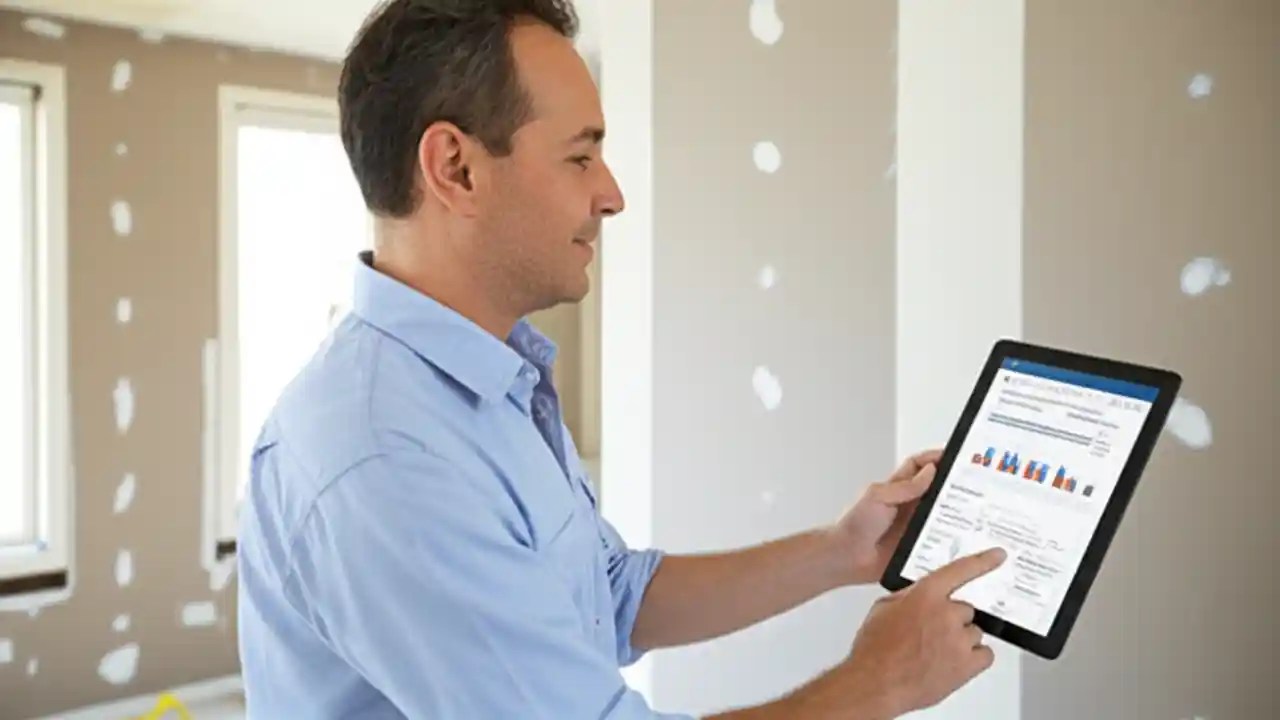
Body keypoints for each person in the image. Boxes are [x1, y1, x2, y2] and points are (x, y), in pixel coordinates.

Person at [236, 1, 1007, 717]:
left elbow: (612, 596)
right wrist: (877, 682)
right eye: (580, 158)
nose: (612, 196)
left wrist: (840, 553)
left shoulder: (484, 384)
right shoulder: (386, 458)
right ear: (457, 169)